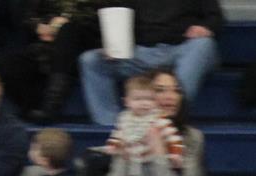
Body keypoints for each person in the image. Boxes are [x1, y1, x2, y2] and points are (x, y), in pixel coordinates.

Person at [78, 0, 220, 128]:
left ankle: (171, 119)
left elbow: (215, 18)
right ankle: (112, 127)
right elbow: (115, 16)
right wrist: (112, 43)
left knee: (203, 45)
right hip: (138, 52)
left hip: (183, 48)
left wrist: (205, 28)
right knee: (91, 60)